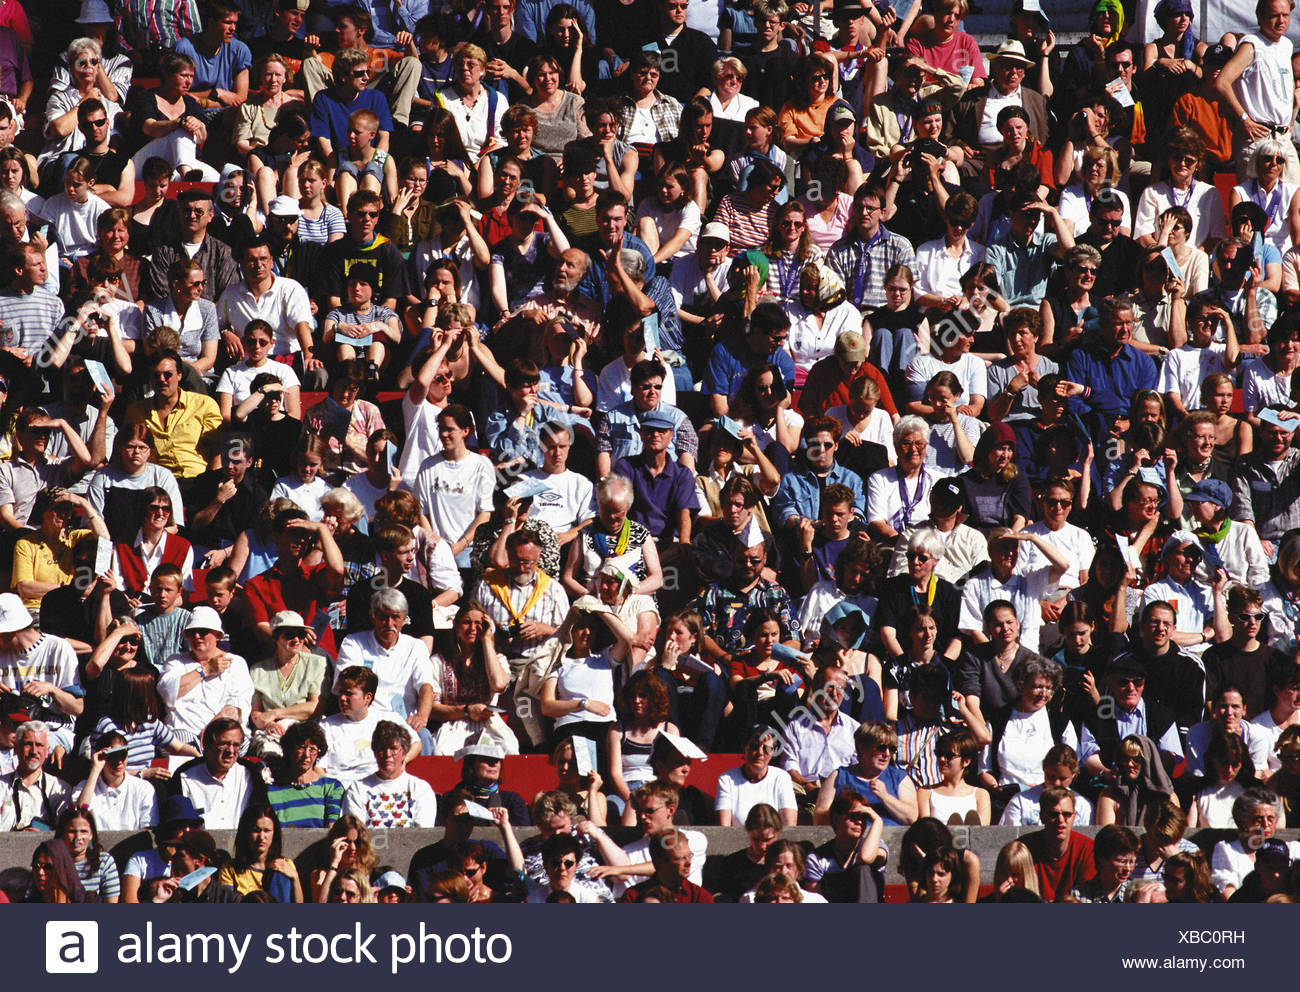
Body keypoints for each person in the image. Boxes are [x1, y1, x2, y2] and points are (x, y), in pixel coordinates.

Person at [344, 720, 438, 828]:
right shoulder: (357, 789)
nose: (387, 754)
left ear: (404, 753)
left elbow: (423, 834)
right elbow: (356, 833)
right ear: (374, 752)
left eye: (393, 749)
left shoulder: (421, 789)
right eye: (382, 749)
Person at [1022, 785, 1095, 901]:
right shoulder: (1024, 849)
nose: (1060, 820)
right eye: (1053, 814)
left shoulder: (1088, 849)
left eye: (1066, 814)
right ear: (1041, 816)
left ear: (1074, 817)